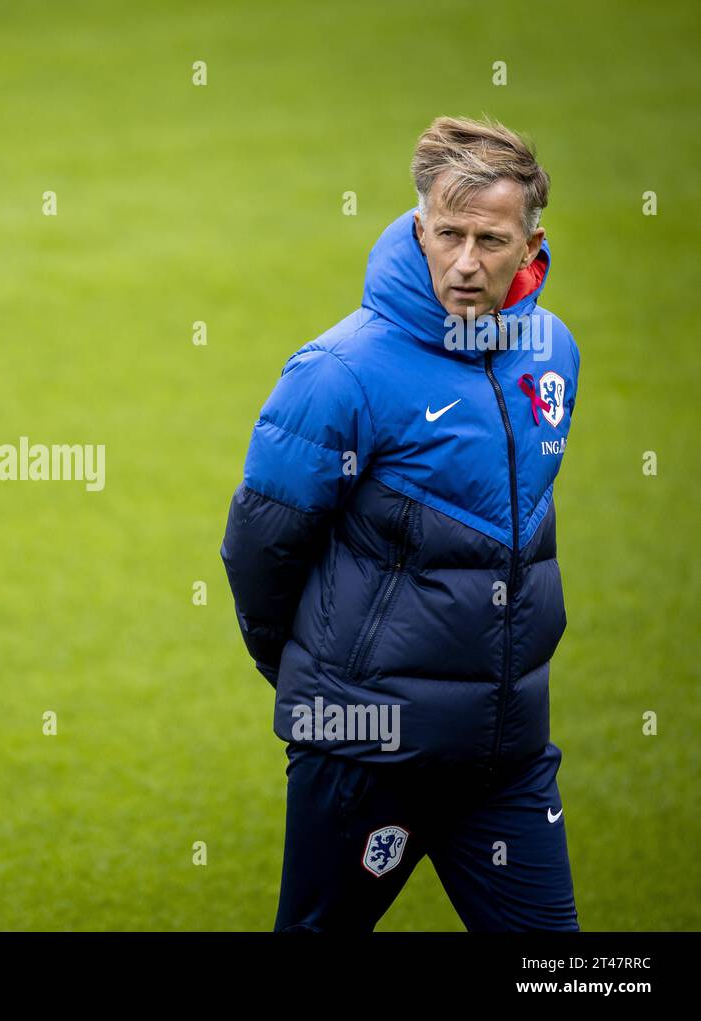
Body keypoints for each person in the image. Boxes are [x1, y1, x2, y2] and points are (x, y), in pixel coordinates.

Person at [219, 115, 580, 931]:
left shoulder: (551, 352)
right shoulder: (341, 372)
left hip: (507, 752)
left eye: (490, 239)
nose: (464, 261)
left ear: (530, 245)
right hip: (366, 751)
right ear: (419, 227)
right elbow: (258, 551)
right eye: (447, 233)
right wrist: (323, 682)